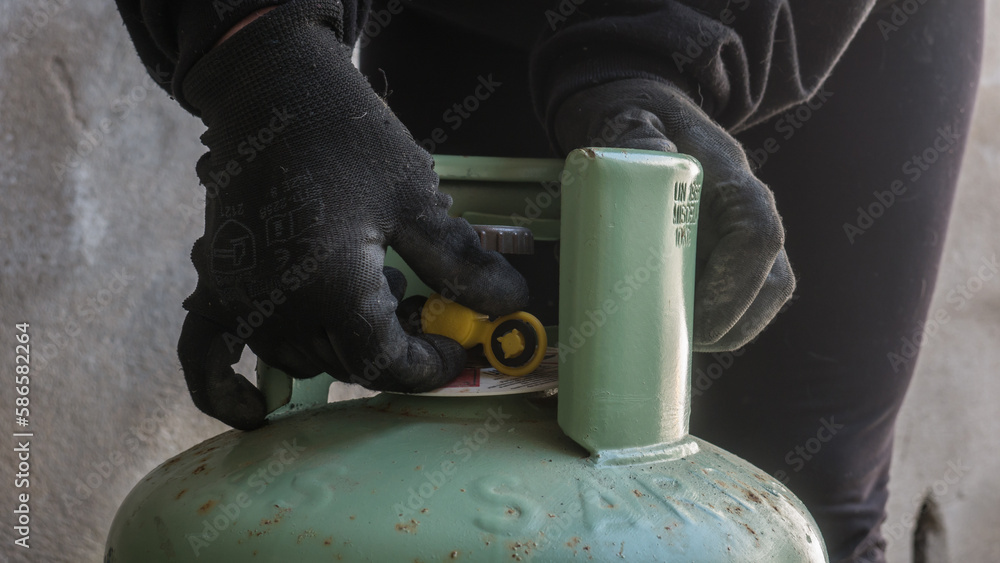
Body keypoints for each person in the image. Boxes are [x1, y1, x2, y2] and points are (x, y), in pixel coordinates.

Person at [113, 1, 983, 561]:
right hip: (466, 20)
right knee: (478, 447)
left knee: (808, 505)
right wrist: (262, 59)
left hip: (806, 26)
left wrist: (657, 52)